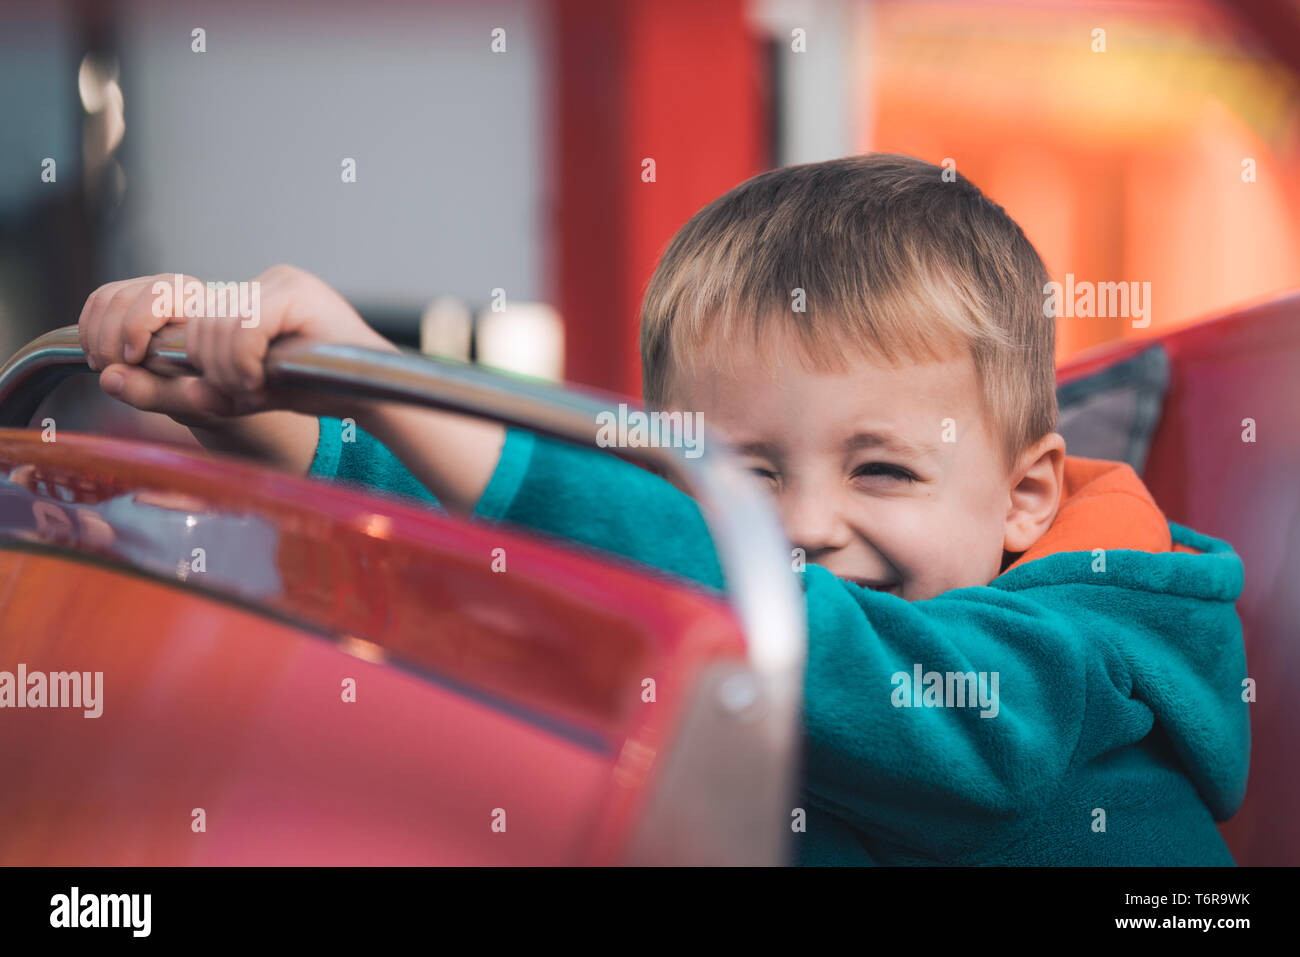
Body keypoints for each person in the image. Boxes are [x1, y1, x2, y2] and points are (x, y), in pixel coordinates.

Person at [76, 153, 1250, 865]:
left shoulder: (1054, 673)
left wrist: (428, 403)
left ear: (1025, 496)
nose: (801, 526)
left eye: (880, 470)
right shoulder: (736, 599)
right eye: (741, 477)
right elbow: (538, 565)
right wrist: (278, 422)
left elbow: (869, 676)